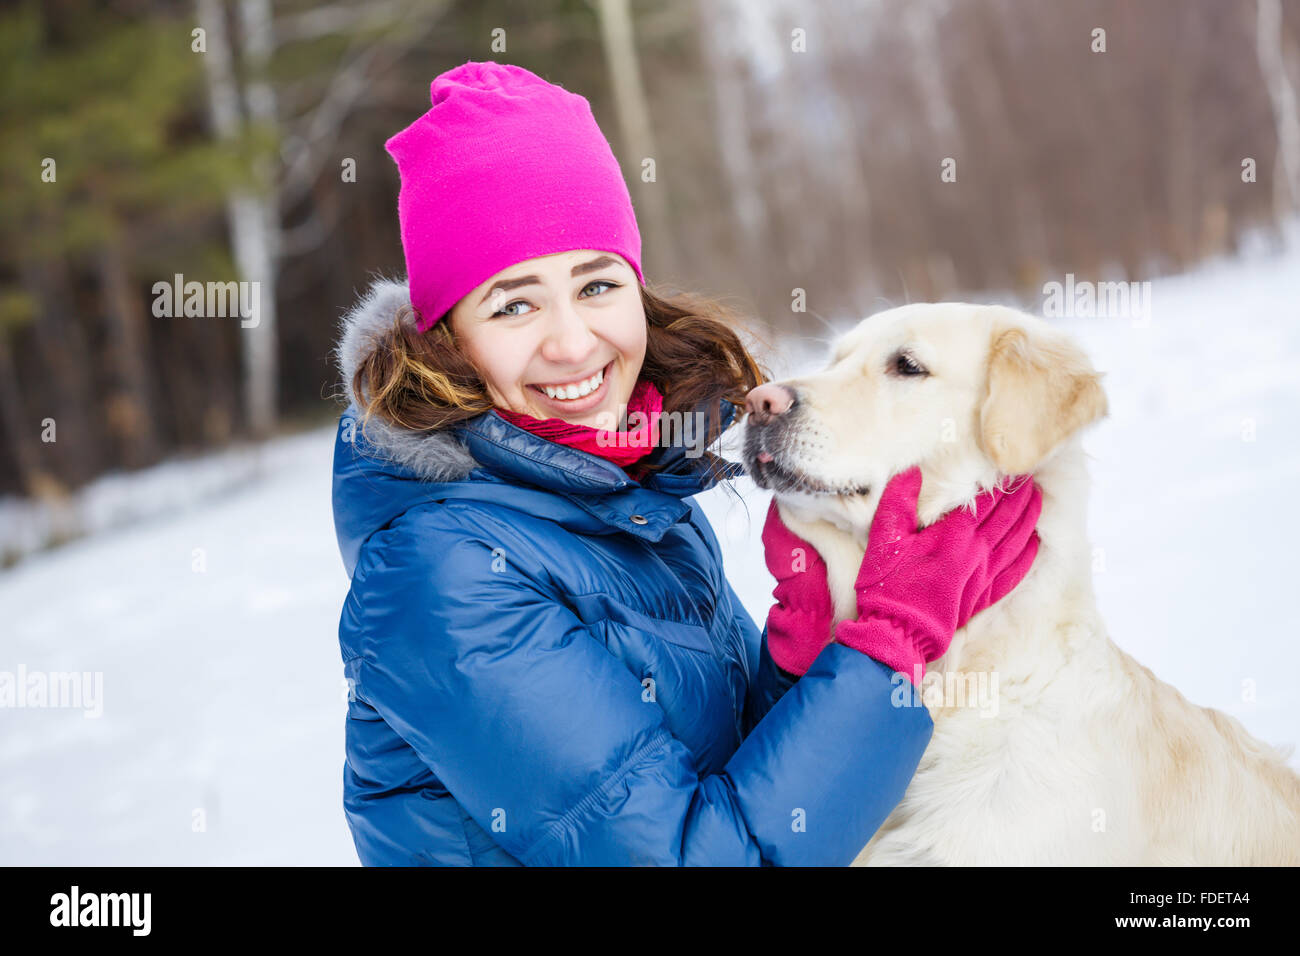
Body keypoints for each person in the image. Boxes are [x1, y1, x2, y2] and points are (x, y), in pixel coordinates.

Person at [330, 61, 1043, 866]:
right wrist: (888, 646)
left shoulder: (624, 489)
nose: (572, 343)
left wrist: (800, 652)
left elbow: (728, 784)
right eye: (514, 304)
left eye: (597, 285)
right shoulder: (442, 575)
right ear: (446, 339)